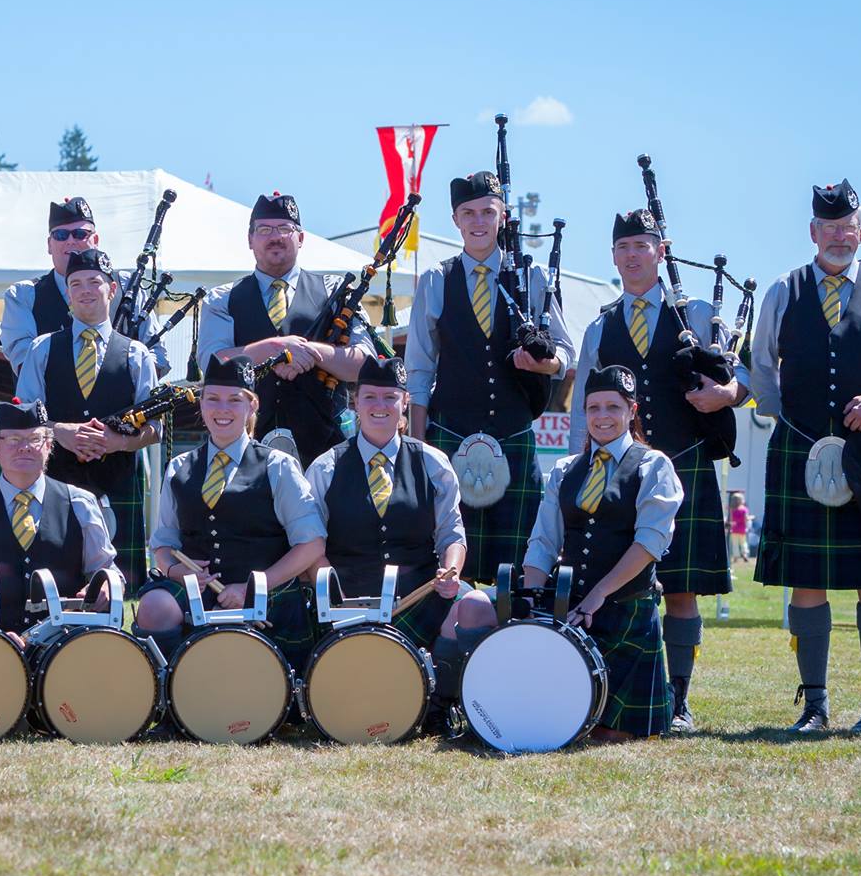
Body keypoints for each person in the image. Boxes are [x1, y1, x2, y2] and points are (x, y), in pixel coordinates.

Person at [747, 180, 861, 734]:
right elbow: (761, 366)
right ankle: (815, 706)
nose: (838, 236)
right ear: (813, 232)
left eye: (847, 227)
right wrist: (787, 423)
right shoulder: (784, 290)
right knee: (807, 580)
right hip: (800, 450)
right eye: (828, 227)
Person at [567, 208, 744, 732]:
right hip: (619, 478)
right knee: (618, 584)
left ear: (660, 252)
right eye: (623, 247)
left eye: (641, 245)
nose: (632, 256)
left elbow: (744, 377)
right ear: (613, 256)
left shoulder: (697, 315)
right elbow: (581, 408)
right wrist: (580, 468)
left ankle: (679, 698)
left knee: (682, 589)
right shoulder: (601, 325)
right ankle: (613, 691)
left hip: (686, 466)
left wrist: (726, 394)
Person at [404, 171, 573, 583]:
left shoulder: (532, 277)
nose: (478, 221)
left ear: (503, 216)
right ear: (455, 219)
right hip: (449, 436)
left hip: (514, 436)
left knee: (516, 569)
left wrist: (544, 364)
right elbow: (420, 371)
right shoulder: (436, 279)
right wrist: (418, 449)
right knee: (448, 564)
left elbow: (566, 354)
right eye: (468, 213)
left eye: (487, 212)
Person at [305, 356, 496, 722]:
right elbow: (312, 547)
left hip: (420, 592)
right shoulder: (326, 467)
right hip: (351, 598)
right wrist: (333, 596)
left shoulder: (433, 462)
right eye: (370, 397)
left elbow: (452, 533)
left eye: (390, 397)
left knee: (477, 605)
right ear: (355, 402)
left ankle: (441, 707)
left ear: (405, 402)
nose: (380, 406)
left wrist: (451, 572)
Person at [523, 365, 683, 741]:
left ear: (632, 410)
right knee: (555, 725)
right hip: (570, 610)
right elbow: (544, 541)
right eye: (593, 408)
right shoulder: (564, 470)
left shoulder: (654, 466)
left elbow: (649, 544)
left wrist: (598, 595)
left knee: (612, 735)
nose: (602, 416)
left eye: (613, 407)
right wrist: (529, 599)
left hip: (627, 610)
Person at [136, 355, 326, 673]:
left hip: (267, 594)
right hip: (196, 594)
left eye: (234, 400)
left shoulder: (279, 466)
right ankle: (167, 691)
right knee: (154, 606)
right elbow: (163, 546)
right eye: (212, 399)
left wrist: (254, 587)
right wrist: (177, 572)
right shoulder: (179, 468)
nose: (222, 409)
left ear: (252, 406)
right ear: (201, 405)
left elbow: (312, 545)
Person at [15, 249, 161, 587]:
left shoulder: (137, 354)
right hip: (56, 479)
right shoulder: (42, 349)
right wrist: (59, 431)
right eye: (76, 284)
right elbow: (23, 418)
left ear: (112, 290)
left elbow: (156, 428)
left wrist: (118, 442)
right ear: (68, 294)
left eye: (94, 282)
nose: (85, 290)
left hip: (118, 480)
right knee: (55, 583)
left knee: (122, 589)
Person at [198, 192, 378, 464]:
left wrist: (310, 352)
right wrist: (276, 348)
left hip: (328, 448)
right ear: (250, 239)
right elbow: (212, 362)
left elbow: (365, 364)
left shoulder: (338, 293)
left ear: (301, 238)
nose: (275, 237)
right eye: (264, 229)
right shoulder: (222, 299)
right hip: (244, 447)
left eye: (285, 228)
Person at [0, 399, 116, 631]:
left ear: (49, 446)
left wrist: (105, 585)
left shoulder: (81, 504)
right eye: (14, 440)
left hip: (64, 642)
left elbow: (108, 571)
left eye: (34, 439)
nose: (25, 447)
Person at [0, 196, 101, 377]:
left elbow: (152, 355)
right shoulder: (24, 296)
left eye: (80, 234)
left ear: (96, 240)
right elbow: (26, 366)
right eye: (60, 235)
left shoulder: (126, 288)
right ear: (49, 244)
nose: (70, 241)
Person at [728, 491, 751, 563]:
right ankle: (745, 554)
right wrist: (751, 518)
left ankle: (736, 557)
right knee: (743, 543)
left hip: (734, 529)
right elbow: (745, 519)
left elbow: (731, 519)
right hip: (742, 529)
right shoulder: (744, 509)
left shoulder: (732, 509)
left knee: (735, 544)